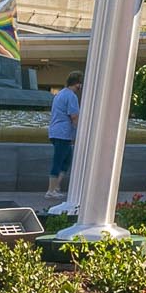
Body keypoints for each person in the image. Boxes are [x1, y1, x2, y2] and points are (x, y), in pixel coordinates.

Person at [45, 70, 83, 200]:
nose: (81, 87)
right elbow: (74, 116)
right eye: (80, 84)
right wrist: (80, 132)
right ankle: (51, 190)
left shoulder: (60, 94)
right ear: (77, 84)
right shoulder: (71, 96)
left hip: (56, 132)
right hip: (63, 133)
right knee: (59, 161)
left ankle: (56, 187)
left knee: (66, 161)